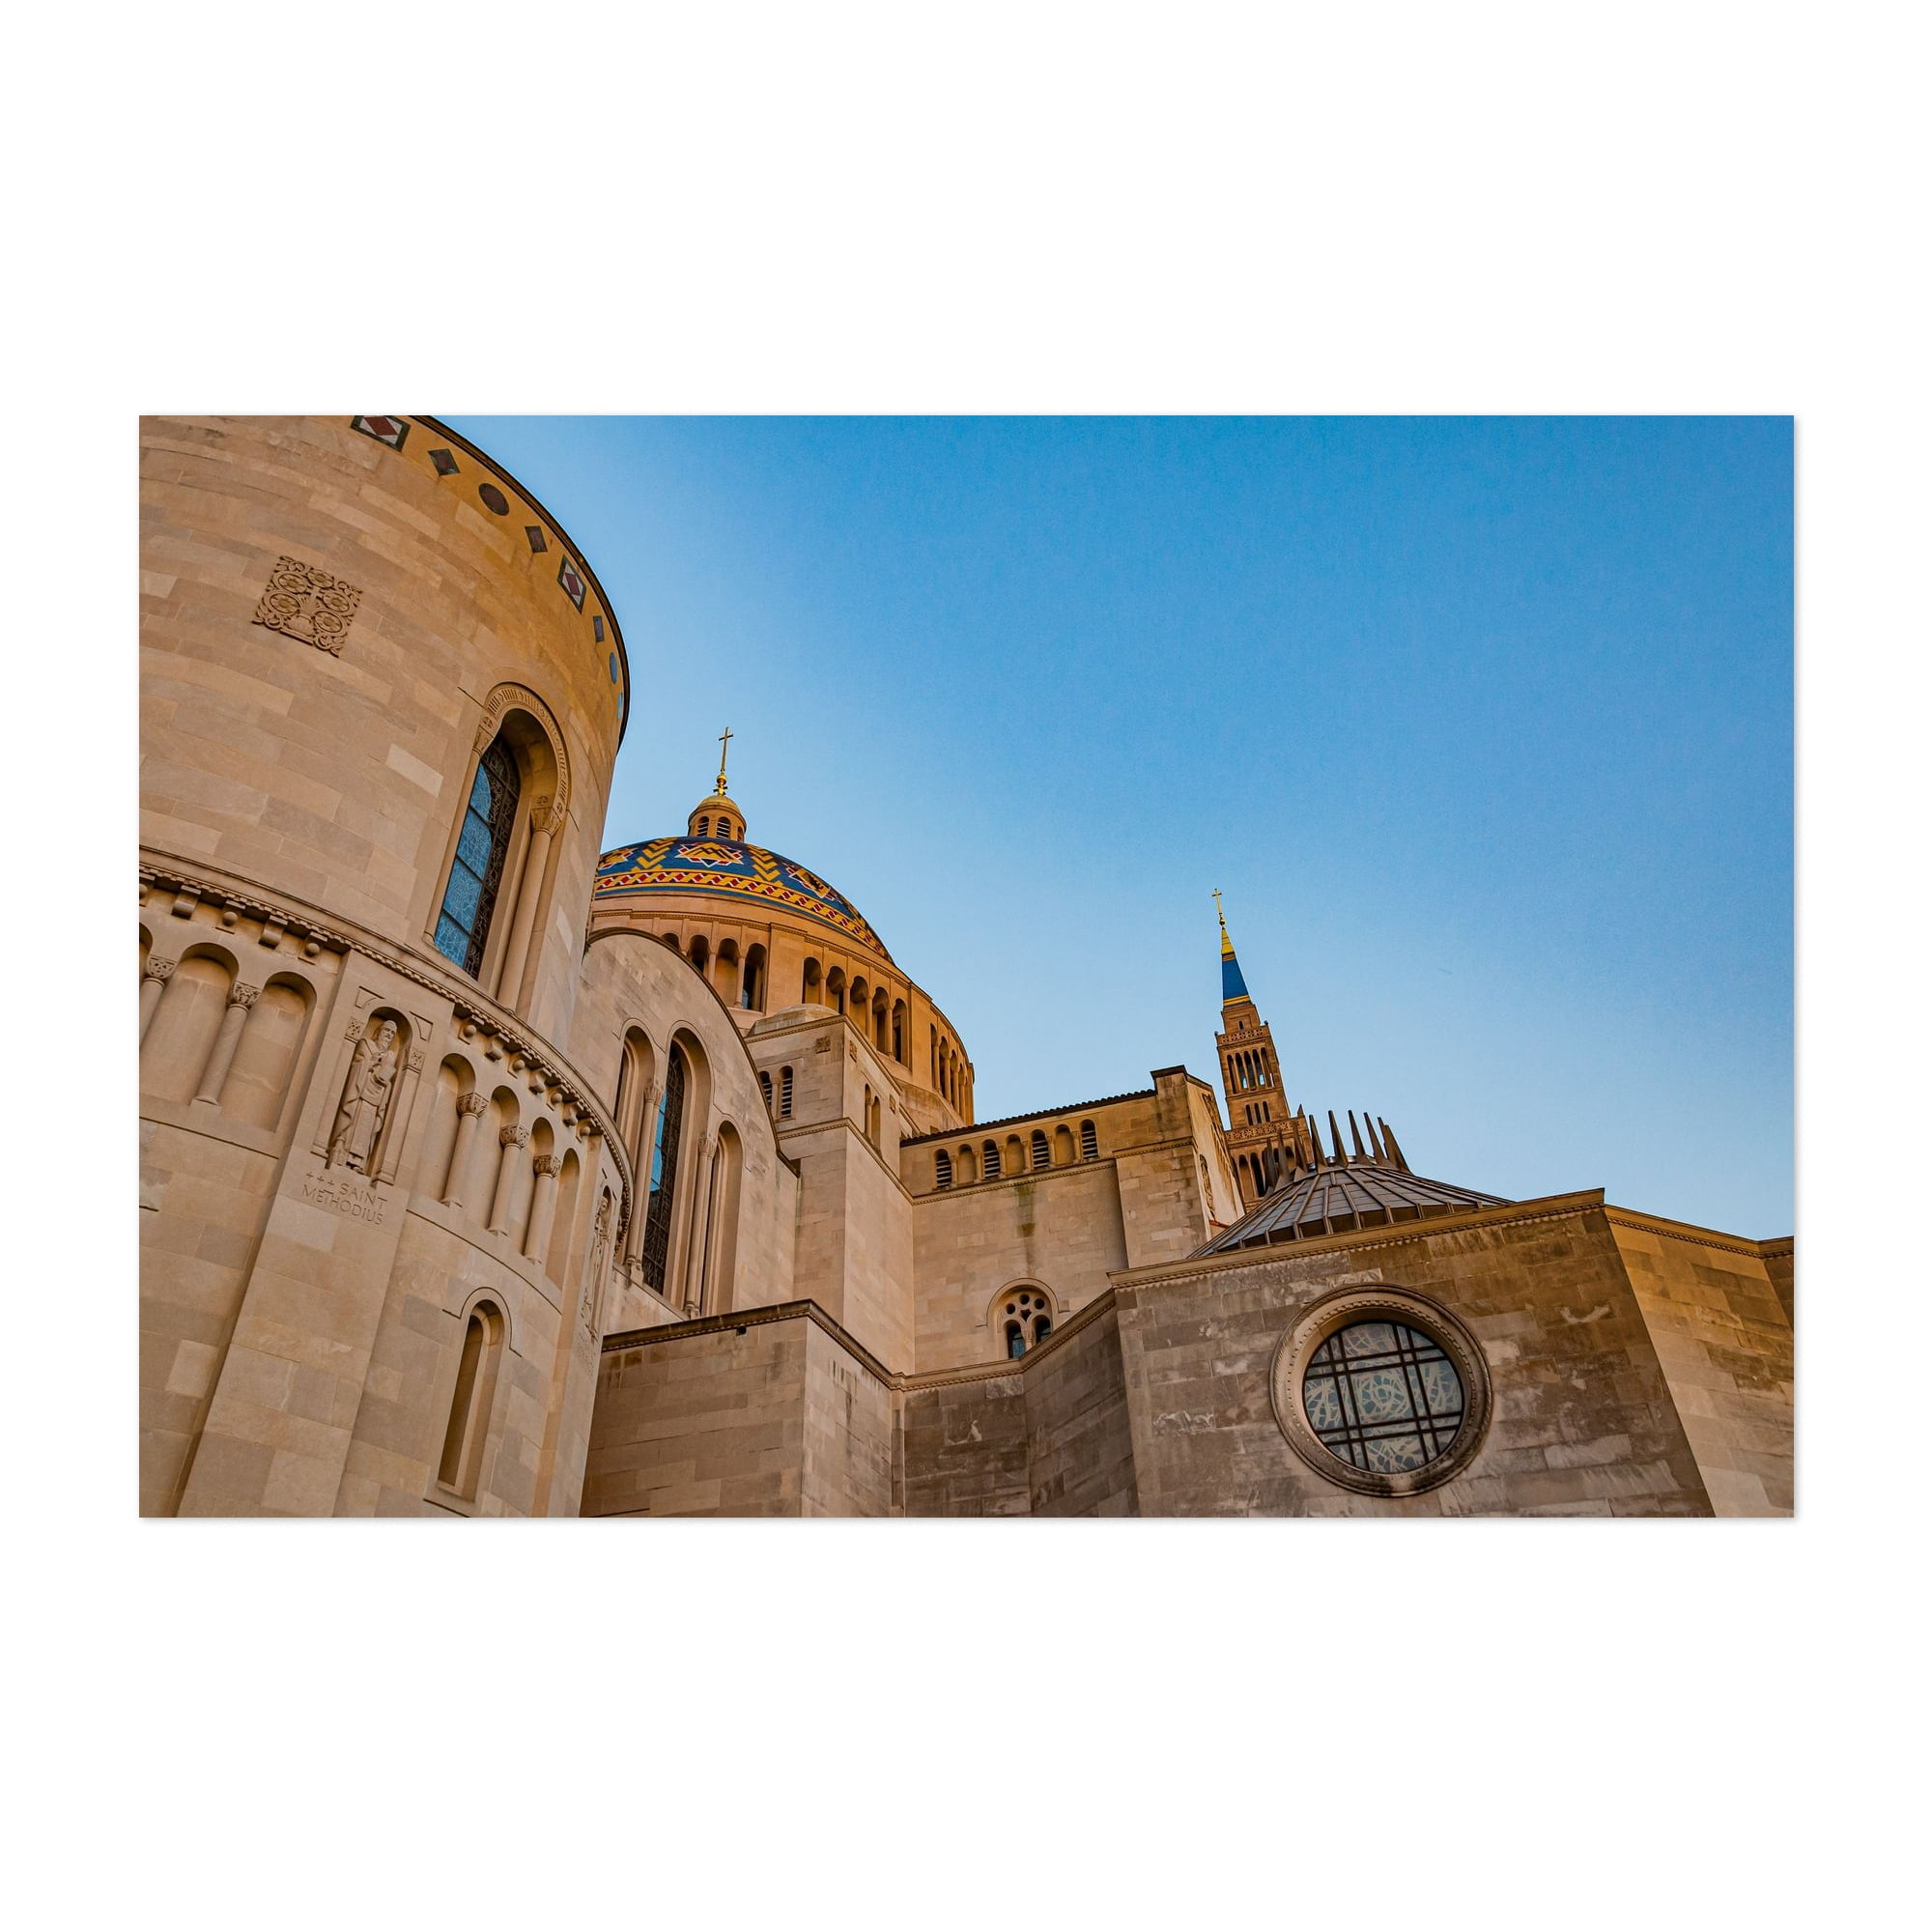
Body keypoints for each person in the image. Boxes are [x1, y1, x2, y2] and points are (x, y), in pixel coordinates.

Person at [329, 1018, 399, 1172]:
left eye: (392, 1033)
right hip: (359, 1090)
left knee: (366, 1128)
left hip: (376, 1096)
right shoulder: (366, 1044)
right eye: (387, 1031)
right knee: (352, 1118)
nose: (389, 1035)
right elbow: (357, 1063)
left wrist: (387, 1083)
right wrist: (370, 1063)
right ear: (378, 1031)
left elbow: (389, 1075)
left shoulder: (390, 1055)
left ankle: (359, 1163)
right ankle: (341, 1153)